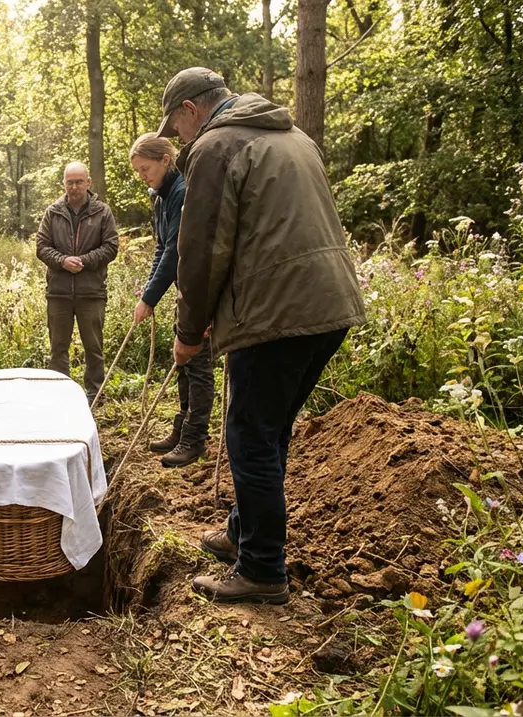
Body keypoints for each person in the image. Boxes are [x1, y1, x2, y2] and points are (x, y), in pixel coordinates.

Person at [157, 67, 365, 604]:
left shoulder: (215, 147)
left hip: (273, 311)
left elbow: (201, 250)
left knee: (249, 435)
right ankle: (242, 533)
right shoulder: (295, 138)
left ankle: (263, 570)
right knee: (267, 430)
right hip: (330, 304)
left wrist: (189, 331)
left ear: (190, 110)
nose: (179, 139)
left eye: (175, 127)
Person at [128, 133, 217, 468]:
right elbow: (161, 248)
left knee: (198, 364)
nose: (143, 177)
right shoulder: (161, 198)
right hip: (184, 290)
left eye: (146, 168)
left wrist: (150, 298)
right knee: (183, 360)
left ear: (166, 160)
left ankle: (195, 438)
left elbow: (176, 250)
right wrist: (149, 290)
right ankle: (182, 429)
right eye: (138, 171)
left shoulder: (182, 193)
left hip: (201, 289)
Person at [35, 162, 119, 402]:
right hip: (58, 292)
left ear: (88, 183)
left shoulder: (102, 212)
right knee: (58, 348)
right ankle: (60, 394)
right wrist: (62, 261)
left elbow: (111, 247)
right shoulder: (53, 212)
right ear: (64, 184)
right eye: (70, 182)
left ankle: (95, 394)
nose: (74, 187)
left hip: (91, 292)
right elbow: (41, 246)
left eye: (79, 181)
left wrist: (84, 260)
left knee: (93, 347)